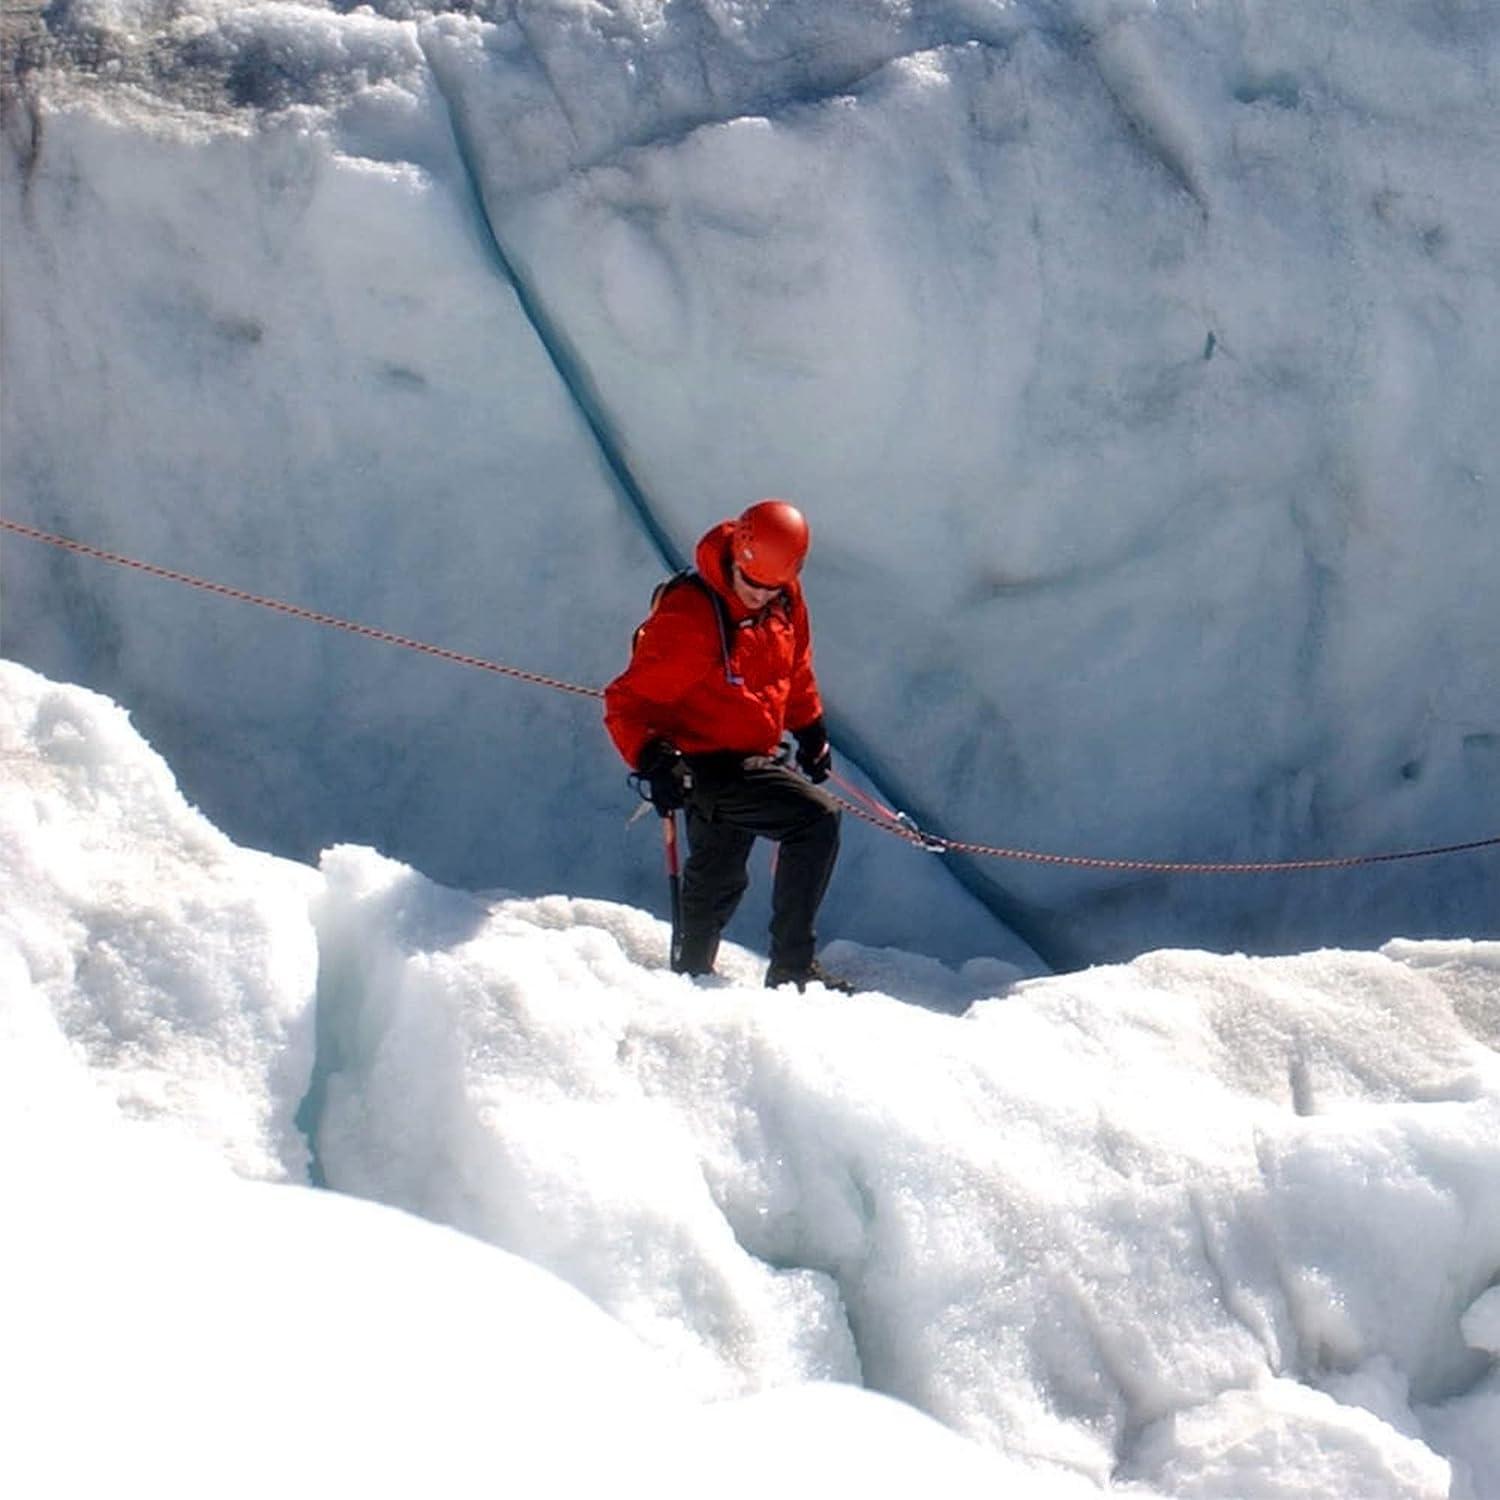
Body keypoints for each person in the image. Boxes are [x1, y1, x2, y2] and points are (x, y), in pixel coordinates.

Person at [604, 499, 852, 993]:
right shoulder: (692, 618)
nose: (759, 596)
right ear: (737, 556)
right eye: (751, 584)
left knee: (718, 878)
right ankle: (793, 969)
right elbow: (626, 702)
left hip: (751, 751)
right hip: (702, 762)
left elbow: (794, 665)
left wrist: (810, 729)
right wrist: (653, 758)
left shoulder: (784, 596)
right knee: (815, 820)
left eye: (770, 587)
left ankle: (690, 978)